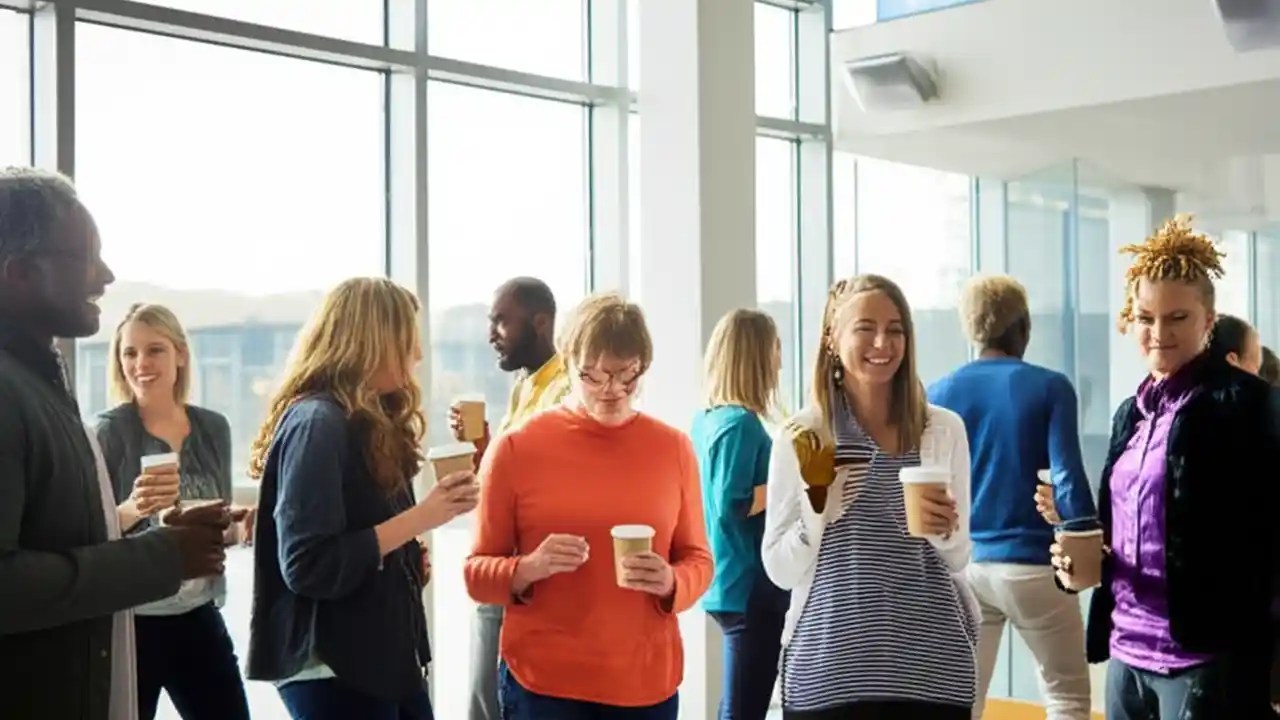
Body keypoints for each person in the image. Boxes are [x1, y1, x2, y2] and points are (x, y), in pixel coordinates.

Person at [0, 166, 228, 720]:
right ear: (21, 273)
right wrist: (159, 555)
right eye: (86, 256)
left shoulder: (41, 386)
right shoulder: (13, 393)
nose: (105, 276)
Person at [1050, 215, 1280, 718]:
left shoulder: (1247, 404)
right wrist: (1081, 561)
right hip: (1126, 653)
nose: (1159, 332)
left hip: (1207, 660)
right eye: (1146, 317)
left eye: (1177, 317)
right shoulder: (1130, 412)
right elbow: (1133, 530)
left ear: (1208, 322)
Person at [465, 292, 713, 720]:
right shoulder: (517, 449)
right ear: (567, 363)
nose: (611, 389)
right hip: (544, 683)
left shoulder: (673, 449)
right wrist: (526, 569)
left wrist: (672, 582)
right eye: (592, 376)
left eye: (626, 375)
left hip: (644, 681)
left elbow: (699, 561)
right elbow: (476, 573)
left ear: (643, 366)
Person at [246, 277, 480, 719]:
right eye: (408, 340)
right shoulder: (317, 423)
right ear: (374, 342)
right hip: (334, 667)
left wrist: (403, 558)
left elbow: (358, 538)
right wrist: (421, 518)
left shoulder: (365, 423)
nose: (418, 355)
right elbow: (306, 563)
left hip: (378, 657)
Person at [764, 274, 977, 720]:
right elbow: (780, 570)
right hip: (828, 675)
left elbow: (957, 559)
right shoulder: (804, 435)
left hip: (932, 674)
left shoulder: (943, 429)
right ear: (831, 338)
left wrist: (944, 531)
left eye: (895, 329)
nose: (883, 342)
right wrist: (818, 511)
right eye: (865, 327)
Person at [928, 275, 1095, 720]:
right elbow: (1067, 477)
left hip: (967, 568)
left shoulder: (938, 394)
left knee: (964, 702)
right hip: (1035, 566)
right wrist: (1088, 541)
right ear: (1022, 328)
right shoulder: (1050, 386)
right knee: (1067, 699)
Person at [94, 303, 251, 720]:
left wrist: (238, 526)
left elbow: (219, 529)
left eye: (155, 350)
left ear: (180, 354)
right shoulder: (108, 432)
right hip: (132, 622)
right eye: (129, 353)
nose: (141, 364)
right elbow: (90, 534)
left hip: (197, 616)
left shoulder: (213, 428)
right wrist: (132, 508)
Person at [449, 276, 572, 720]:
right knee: (485, 696)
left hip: (525, 572)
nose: (491, 334)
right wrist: (482, 445)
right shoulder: (526, 386)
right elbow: (504, 476)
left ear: (540, 323)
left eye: (502, 321)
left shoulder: (565, 390)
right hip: (500, 564)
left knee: (492, 700)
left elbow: (539, 482)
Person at [692, 308, 788, 720]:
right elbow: (733, 503)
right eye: (775, 352)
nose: (780, 362)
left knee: (738, 701)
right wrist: (794, 483)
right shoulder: (742, 424)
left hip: (726, 579)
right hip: (749, 585)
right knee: (745, 707)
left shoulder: (707, 422)